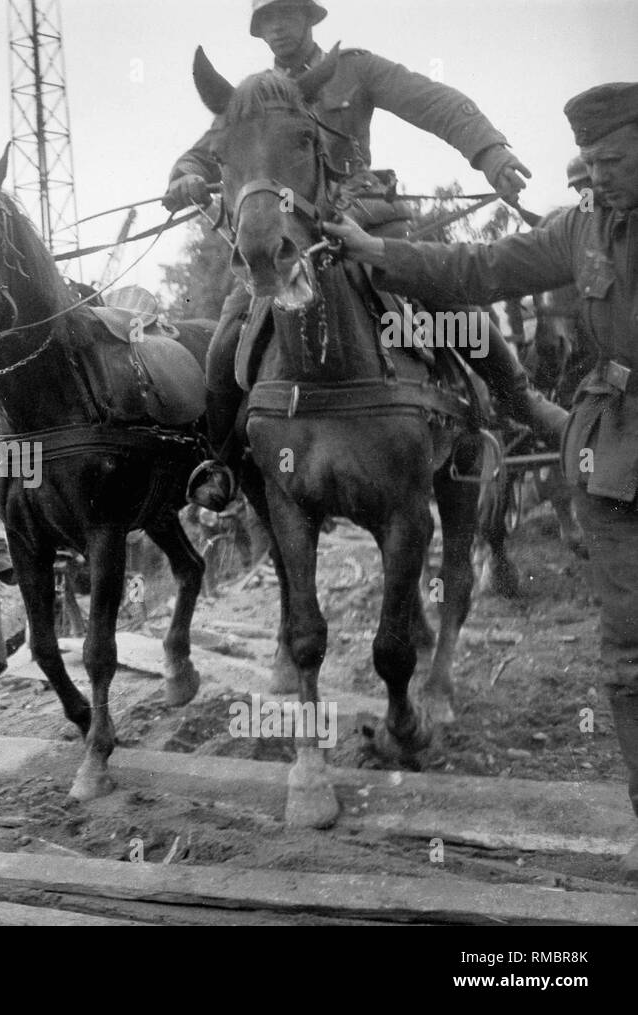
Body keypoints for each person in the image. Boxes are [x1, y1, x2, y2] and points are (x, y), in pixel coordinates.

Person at [323, 82, 638, 883]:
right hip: (616, 460)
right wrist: (376, 251)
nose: (596, 176)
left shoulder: (357, 69)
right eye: (590, 163)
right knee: (629, 653)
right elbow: (475, 269)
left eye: (612, 159)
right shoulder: (580, 230)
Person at [167, 0, 565, 510]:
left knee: (453, 308)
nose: (278, 28)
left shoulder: (356, 67)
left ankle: (521, 401)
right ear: (257, 31)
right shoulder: (254, 95)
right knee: (227, 339)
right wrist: (183, 176)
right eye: (267, 21)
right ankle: (221, 459)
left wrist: (489, 152)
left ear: (310, 19)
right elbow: (205, 149)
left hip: (368, 216)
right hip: (293, 239)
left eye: (286, 15)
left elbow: (432, 101)